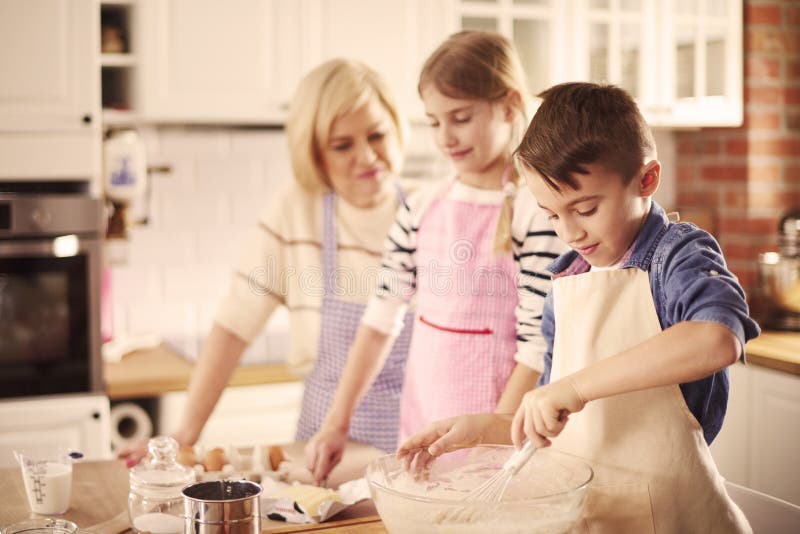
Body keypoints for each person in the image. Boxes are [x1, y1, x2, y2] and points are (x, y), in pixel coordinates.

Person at [397, 82, 761, 532]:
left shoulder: (677, 256)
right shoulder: (567, 281)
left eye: (585, 209)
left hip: (678, 517)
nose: (569, 233)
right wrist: (483, 429)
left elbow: (717, 339)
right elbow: (553, 419)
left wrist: (575, 387)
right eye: (552, 215)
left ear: (646, 179)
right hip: (597, 517)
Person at [117, 58, 416, 465]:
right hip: (322, 450)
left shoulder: (428, 209)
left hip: (414, 446)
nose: (366, 156)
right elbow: (234, 326)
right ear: (315, 154)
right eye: (342, 145)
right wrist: (185, 434)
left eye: (377, 135)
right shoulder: (297, 210)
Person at [305, 31, 566, 484]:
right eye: (434, 121)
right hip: (423, 432)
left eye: (460, 118)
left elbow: (537, 349)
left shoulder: (538, 211)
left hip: (504, 444)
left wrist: (493, 448)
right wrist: (336, 425)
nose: (446, 137)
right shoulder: (420, 208)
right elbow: (379, 321)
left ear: (509, 106)